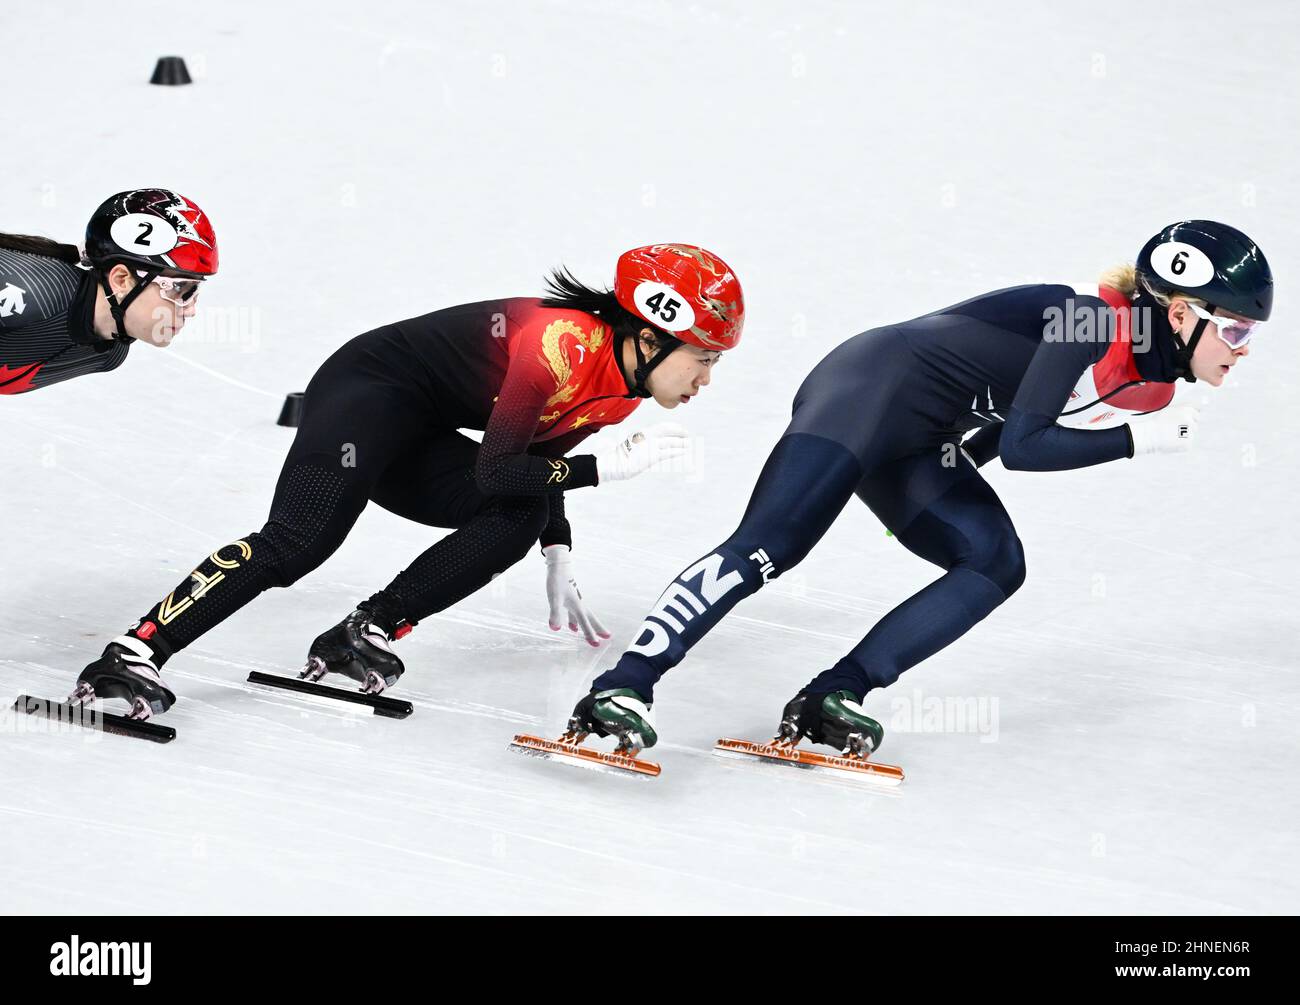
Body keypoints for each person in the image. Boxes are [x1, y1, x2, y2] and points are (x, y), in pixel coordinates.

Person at [570, 221, 1272, 759]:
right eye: (1235, 327)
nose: (1240, 347)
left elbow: (1008, 422)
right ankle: (621, 685)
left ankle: (834, 693)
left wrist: (940, 480)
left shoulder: (1153, 385)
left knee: (996, 561)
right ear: (1180, 313)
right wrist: (1133, 443)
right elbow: (1028, 444)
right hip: (867, 387)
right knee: (771, 547)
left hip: (924, 433)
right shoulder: (1087, 317)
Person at [71, 244, 744, 720]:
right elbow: (500, 467)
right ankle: (135, 648)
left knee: (522, 515)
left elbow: (534, 463)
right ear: (653, 335)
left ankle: (364, 630)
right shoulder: (558, 342)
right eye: (703, 358)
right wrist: (605, 469)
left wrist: (556, 542)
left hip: (419, 428)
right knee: (298, 542)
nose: (705, 379)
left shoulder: (619, 391)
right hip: (369, 392)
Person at [0, 189, 218, 394]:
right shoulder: (29, 294)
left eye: (194, 292)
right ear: (121, 280)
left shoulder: (108, 355)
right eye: (180, 289)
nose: (190, 311)